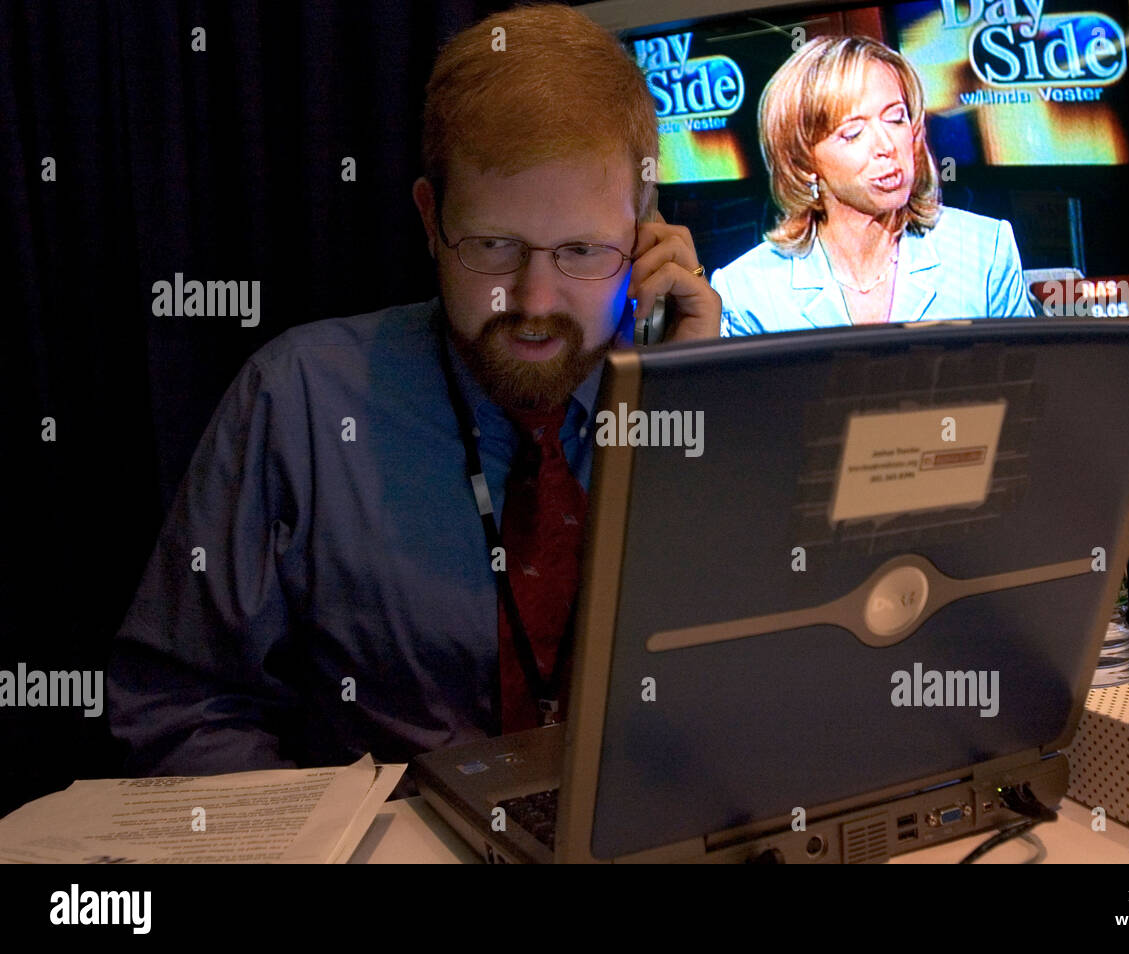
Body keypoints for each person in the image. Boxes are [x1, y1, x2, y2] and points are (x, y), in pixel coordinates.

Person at [107, 3, 720, 779]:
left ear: (645, 235)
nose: (532, 302)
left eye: (580, 250)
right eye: (493, 245)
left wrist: (690, 398)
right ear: (432, 220)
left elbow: (765, 678)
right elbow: (175, 708)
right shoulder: (296, 400)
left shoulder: (692, 398)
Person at [710, 35, 1033, 335]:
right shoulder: (746, 290)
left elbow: (1025, 384)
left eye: (896, 118)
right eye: (853, 133)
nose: (886, 145)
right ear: (804, 162)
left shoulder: (983, 250)